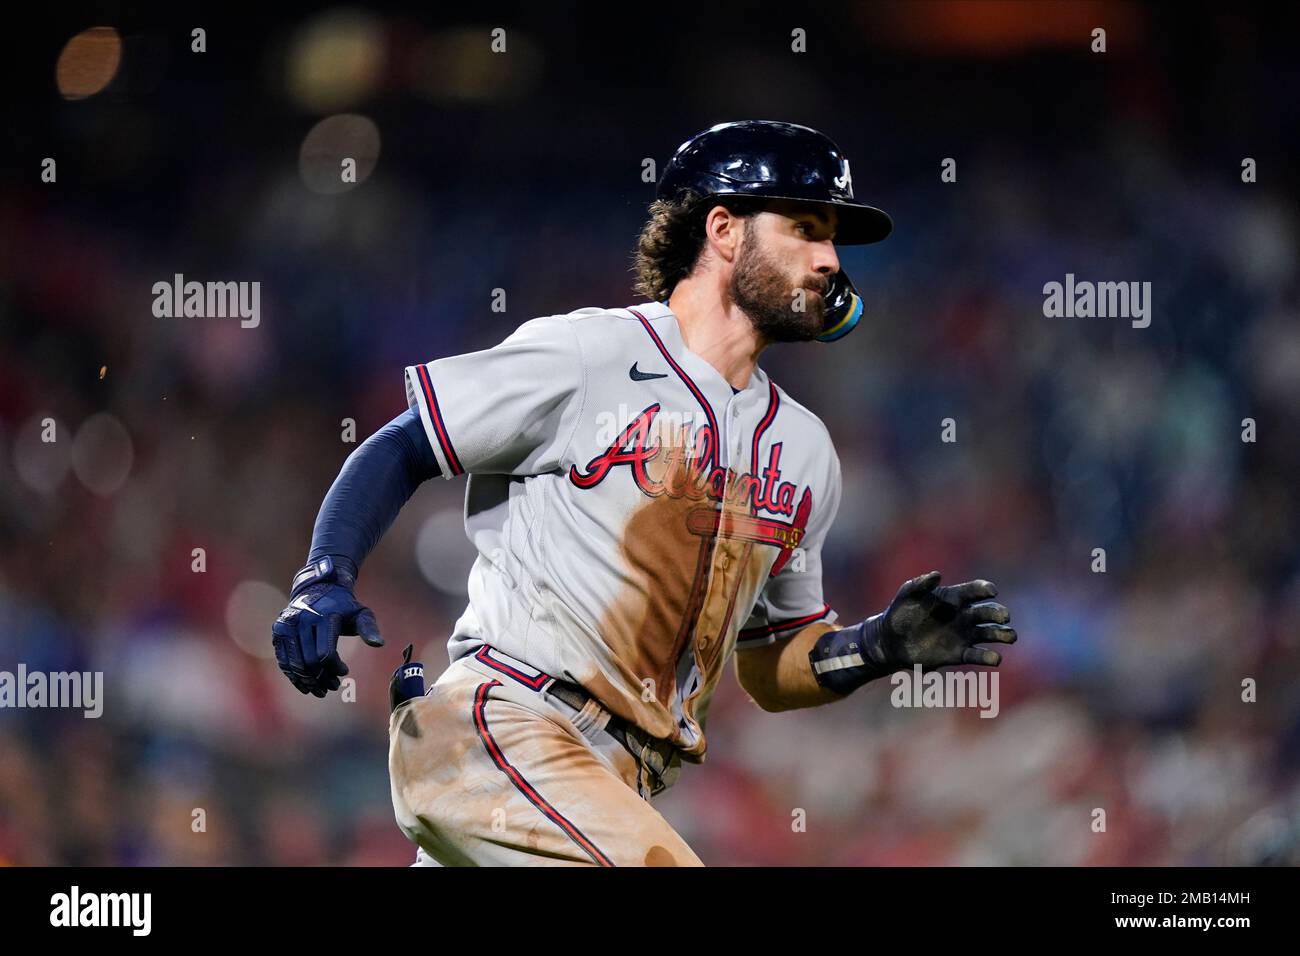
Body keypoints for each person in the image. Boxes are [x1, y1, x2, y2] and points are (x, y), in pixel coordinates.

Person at [271, 120, 1017, 866]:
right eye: (805, 227)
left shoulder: (806, 451)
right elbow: (405, 443)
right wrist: (323, 576)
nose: (829, 259)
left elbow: (771, 664)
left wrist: (875, 646)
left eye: (833, 239)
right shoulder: (592, 353)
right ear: (723, 230)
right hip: (502, 730)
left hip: (607, 789)